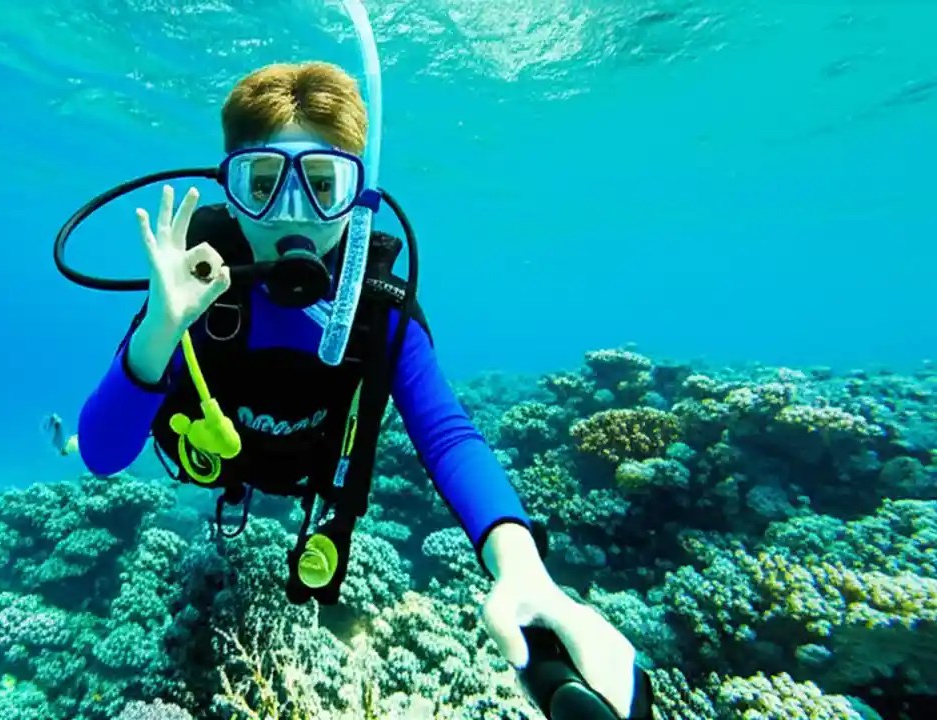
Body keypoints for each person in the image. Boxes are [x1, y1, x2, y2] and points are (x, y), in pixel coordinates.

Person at [55, 9, 654, 719]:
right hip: (217, 461)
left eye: (323, 185)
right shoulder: (195, 285)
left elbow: (447, 433)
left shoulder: (377, 307)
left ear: (358, 196)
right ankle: (237, 496)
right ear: (229, 189)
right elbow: (100, 453)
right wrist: (160, 326)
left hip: (316, 475)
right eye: (261, 183)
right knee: (226, 478)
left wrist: (523, 569)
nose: (290, 212)